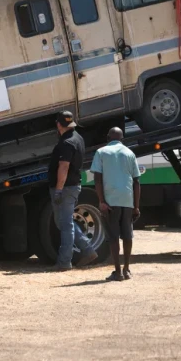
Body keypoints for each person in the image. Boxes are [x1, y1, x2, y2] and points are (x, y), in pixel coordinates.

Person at [48, 111, 98, 271]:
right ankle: (88, 249)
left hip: (66, 188)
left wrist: (58, 190)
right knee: (65, 222)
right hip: (72, 185)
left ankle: (64, 262)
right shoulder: (78, 138)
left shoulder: (67, 143)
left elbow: (64, 166)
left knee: (65, 224)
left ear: (58, 125)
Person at [90, 127, 141, 282]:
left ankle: (117, 272)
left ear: (107, 137)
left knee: (113, 237)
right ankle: (127, 270)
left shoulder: (101, 152)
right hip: (127, 200)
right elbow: (137, 182)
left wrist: (102, 201)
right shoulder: (129, 153)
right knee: (127, 235)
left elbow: (97, 179)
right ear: (122, 139)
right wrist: (136, 206)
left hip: (111, 201)